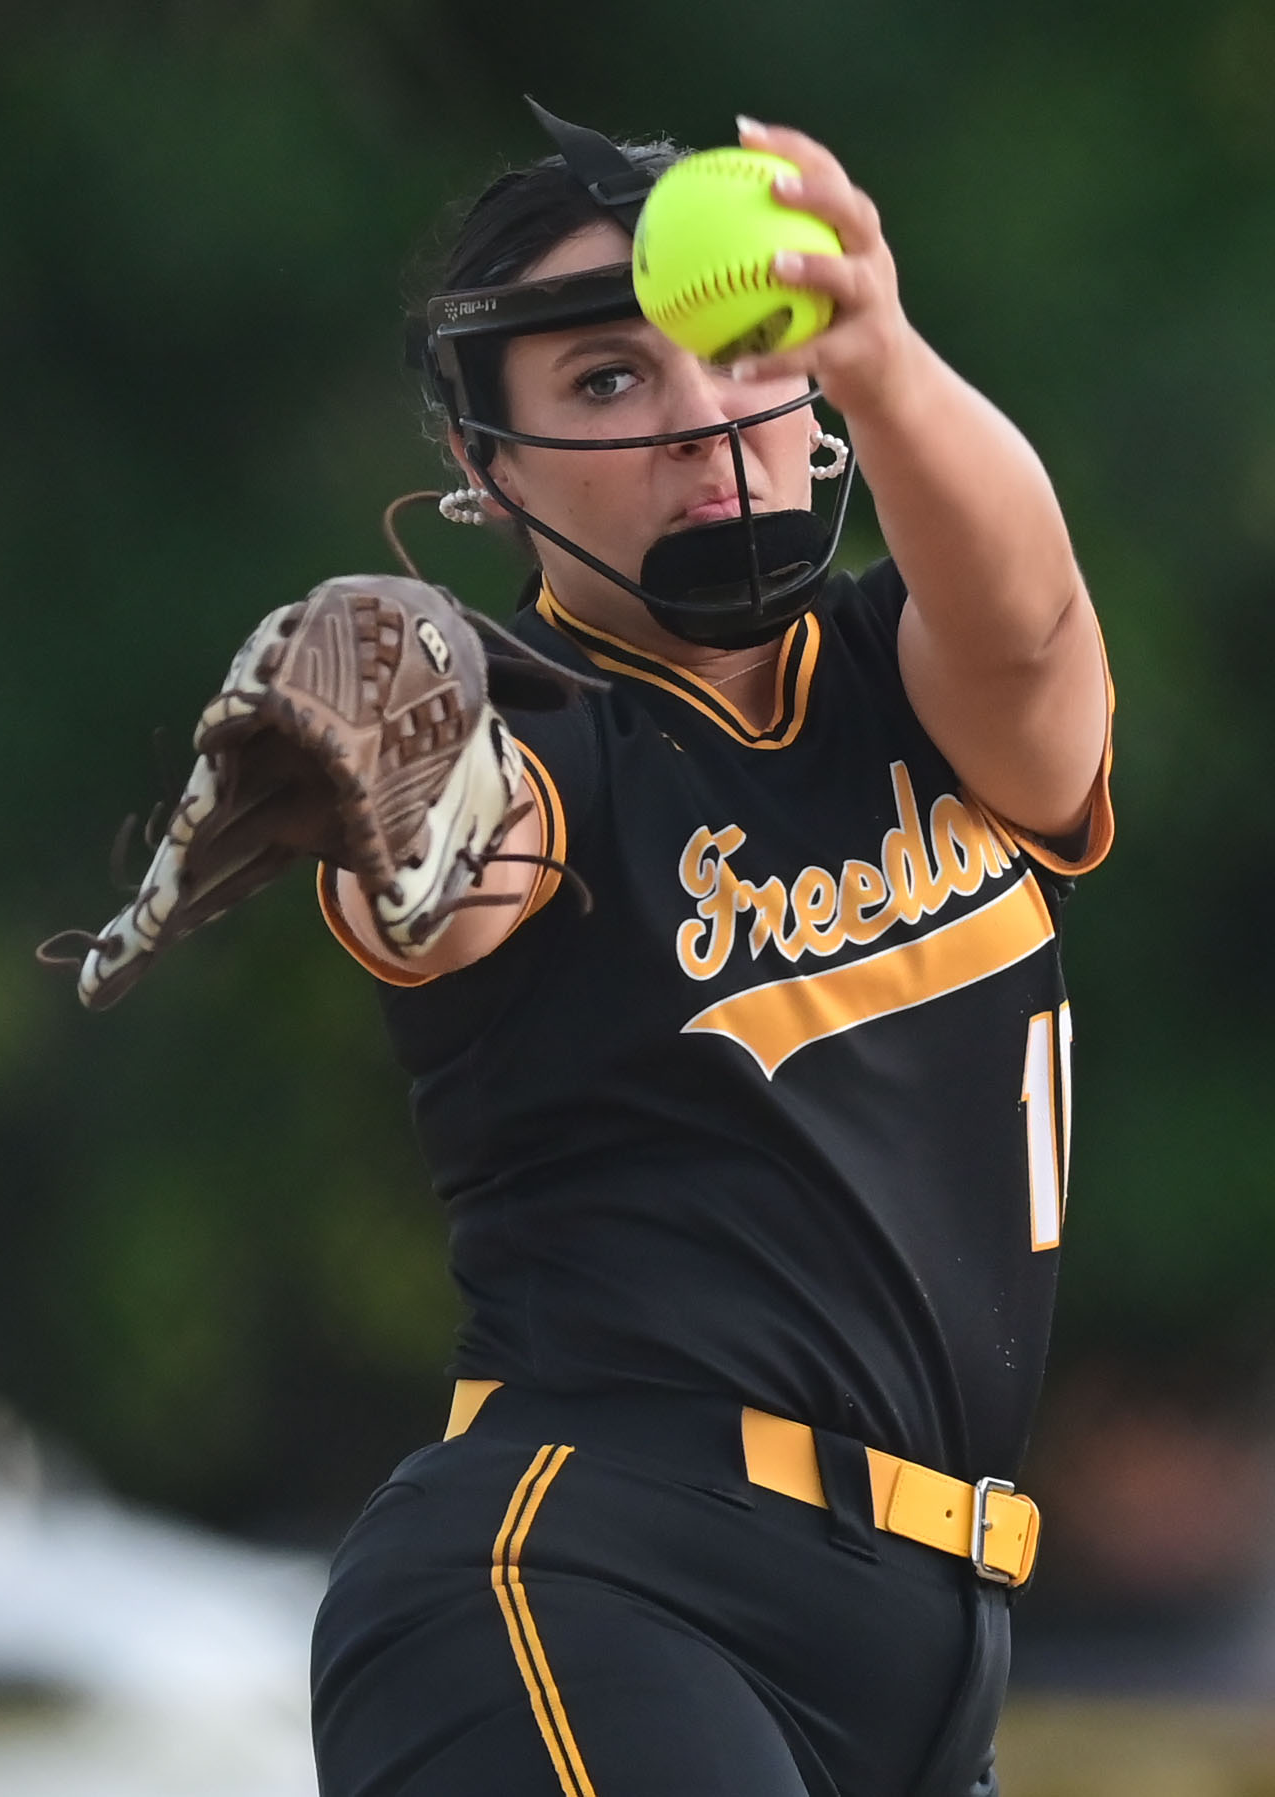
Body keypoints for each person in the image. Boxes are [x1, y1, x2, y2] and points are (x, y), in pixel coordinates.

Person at [314, 101, 1112, 1797]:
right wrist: (381, 758)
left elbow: (1038, 634)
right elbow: (449, 870)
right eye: (607, 381)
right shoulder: (527, 720)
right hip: (587, 1577)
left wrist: (883, 348)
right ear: (487, 466)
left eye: (746, 349)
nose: (704, 419)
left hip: (935, 1647)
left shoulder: (917, 672)